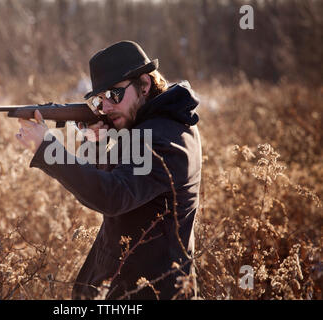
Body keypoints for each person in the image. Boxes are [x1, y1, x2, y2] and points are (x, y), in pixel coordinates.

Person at [15, 40, 202, 299]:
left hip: (152, 292)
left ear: (145, 84)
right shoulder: (150, 127)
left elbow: (112, 196)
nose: (106, 107)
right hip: (128, 288)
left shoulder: (162, 138)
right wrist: (97, 144)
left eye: (114, 94)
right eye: (99, 99)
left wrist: (47, 149)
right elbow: (112, 182)